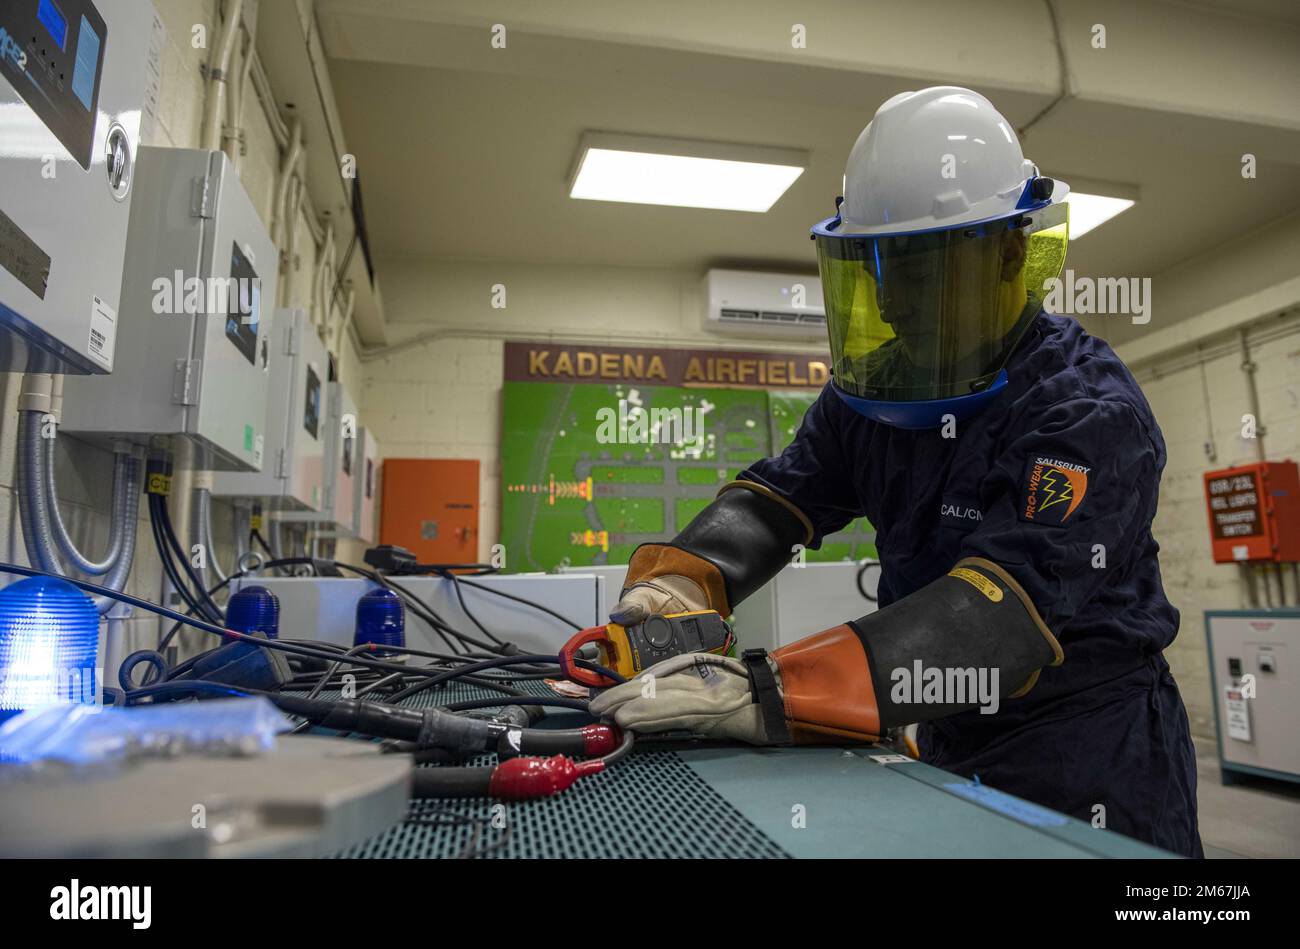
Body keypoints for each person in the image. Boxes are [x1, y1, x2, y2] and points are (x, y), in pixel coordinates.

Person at [589, 86, 1203, 857]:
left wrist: (773, 693)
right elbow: (781, 496)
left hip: (1090, 757)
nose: (891, 297)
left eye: (921, 267)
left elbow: (1002, 617)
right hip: (948, 735)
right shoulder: (876, 391)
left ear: (1012, 250)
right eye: (873, 264)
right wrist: (684, 577)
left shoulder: (1085, 412)